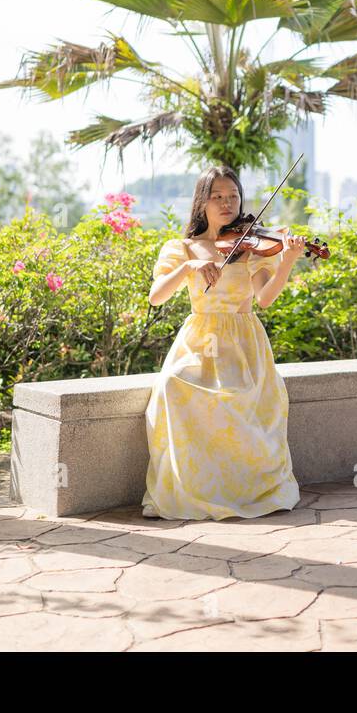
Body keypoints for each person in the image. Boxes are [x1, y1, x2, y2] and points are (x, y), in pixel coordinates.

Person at [140, 165, 307, 520]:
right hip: (199, 341)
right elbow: (156, 297)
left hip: (243, 343)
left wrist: (288, 261)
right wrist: (190, 268)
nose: (227, 202)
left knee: (241, 402)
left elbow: (264, 298)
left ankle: (243, 491)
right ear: (202, 202)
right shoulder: (182, 248)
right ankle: (188, 489)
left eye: (233, 195)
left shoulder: (252, 248)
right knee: (171, 385)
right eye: (217, 196)